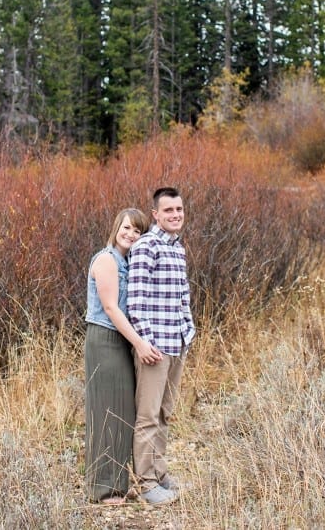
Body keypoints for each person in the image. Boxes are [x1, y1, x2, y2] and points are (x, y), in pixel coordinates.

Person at [84, 207, 163, 505]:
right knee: (106, 410)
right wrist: (141, 345)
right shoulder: (106, 260)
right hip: (104, 339)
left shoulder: (126, 262)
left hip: (121, 341)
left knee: (123, 412)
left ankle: (118, 482)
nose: (130, 234)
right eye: (126, 228)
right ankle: (103, 490)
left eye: (137, 230)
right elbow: (111, 309)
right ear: (116, 227)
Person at [127, 187, 196, 505]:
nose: (175, 215)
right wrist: (143, 343)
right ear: (156, 214)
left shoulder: (177, 248)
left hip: (177, 341)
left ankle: (160, 471)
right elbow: (136, 302)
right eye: (168, 210)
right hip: (155, 347)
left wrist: (189, 333)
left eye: (179, 209)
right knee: (148, 416)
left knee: (166, 413)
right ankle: (145, 483)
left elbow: (182, 297)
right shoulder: (146, 246)